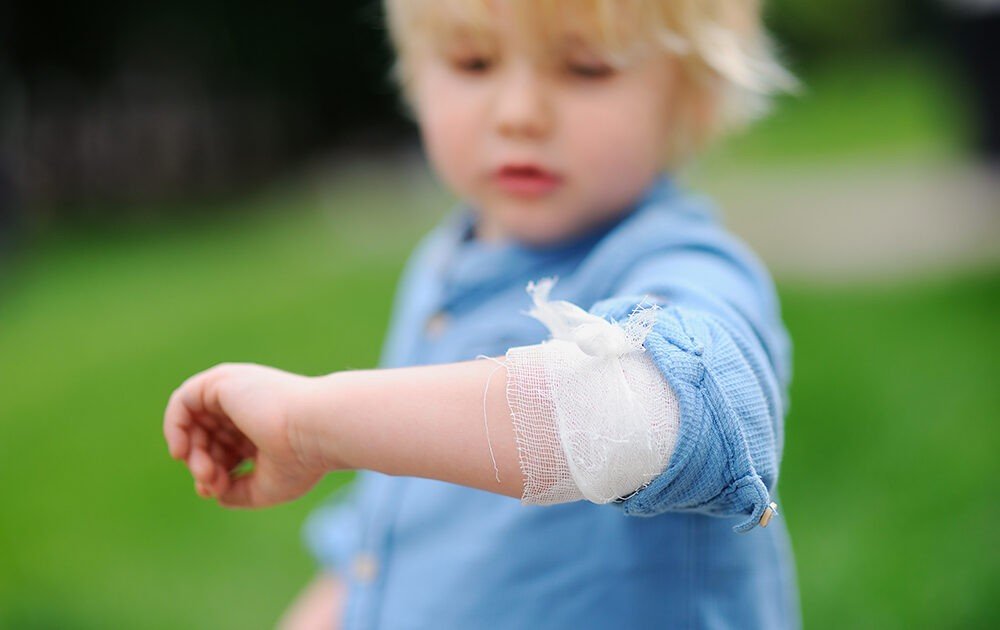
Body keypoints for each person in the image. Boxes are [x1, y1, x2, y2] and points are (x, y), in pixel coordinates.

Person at [162, 1, 801, 627]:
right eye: (473, 62)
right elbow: (400, 516)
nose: (519, 113)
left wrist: (315, 426)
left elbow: (680, 413)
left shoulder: (681, 262)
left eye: (586, 68)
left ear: (695, 96)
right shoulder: (446, 260)